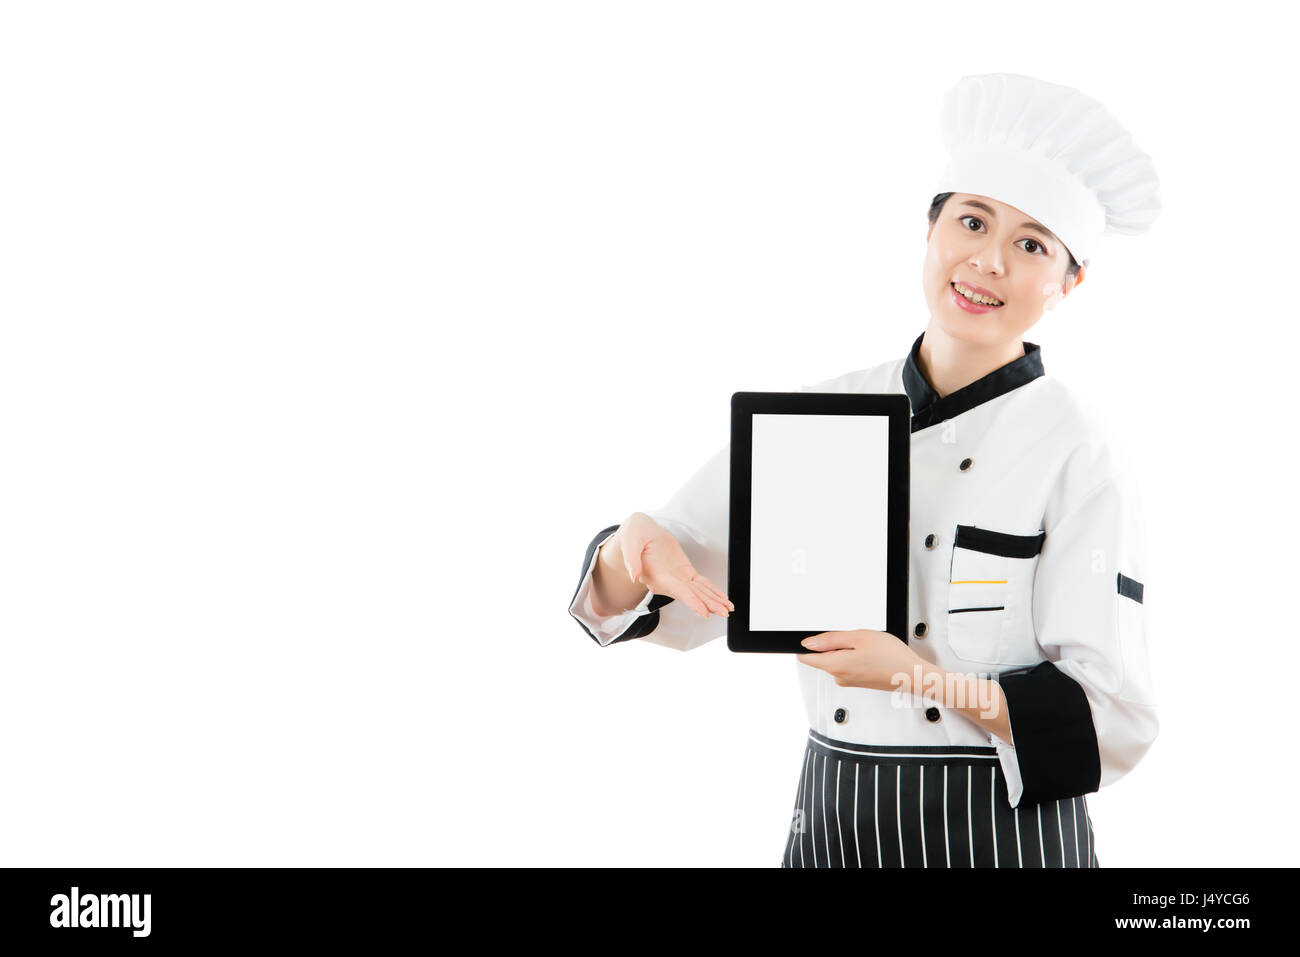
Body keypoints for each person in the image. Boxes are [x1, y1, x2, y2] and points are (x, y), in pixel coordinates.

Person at [567, 73, 1160, 868]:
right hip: (836, 818)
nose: (988, 262)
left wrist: (925, 679)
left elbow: (1113, 714)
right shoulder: (817, 415)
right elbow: (661, 593)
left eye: (1030, 244)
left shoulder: (1077, 448)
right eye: (972, 221)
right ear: (930, 230)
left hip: (1006, 833)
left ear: (1069, 281)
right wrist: (626, 553)